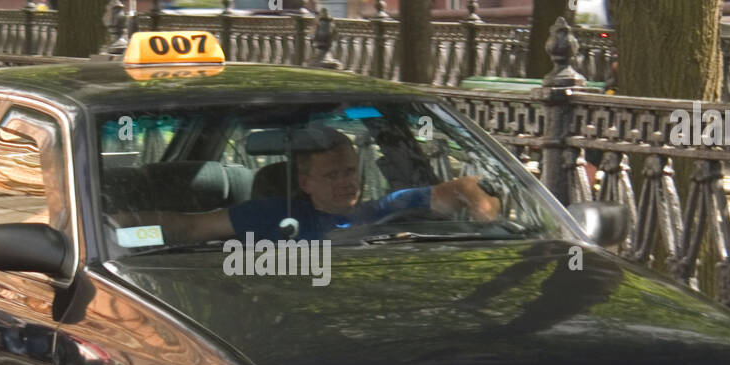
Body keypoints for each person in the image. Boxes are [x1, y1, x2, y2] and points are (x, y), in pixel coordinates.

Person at [122, 128, 500, 245]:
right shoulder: (275, 215)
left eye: (350, 171)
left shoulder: (387, 208)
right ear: (305, 183)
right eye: (332, 175)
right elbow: (189, 227)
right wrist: (119, 235)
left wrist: (482, 212)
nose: (346, 182)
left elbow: (463, 185)